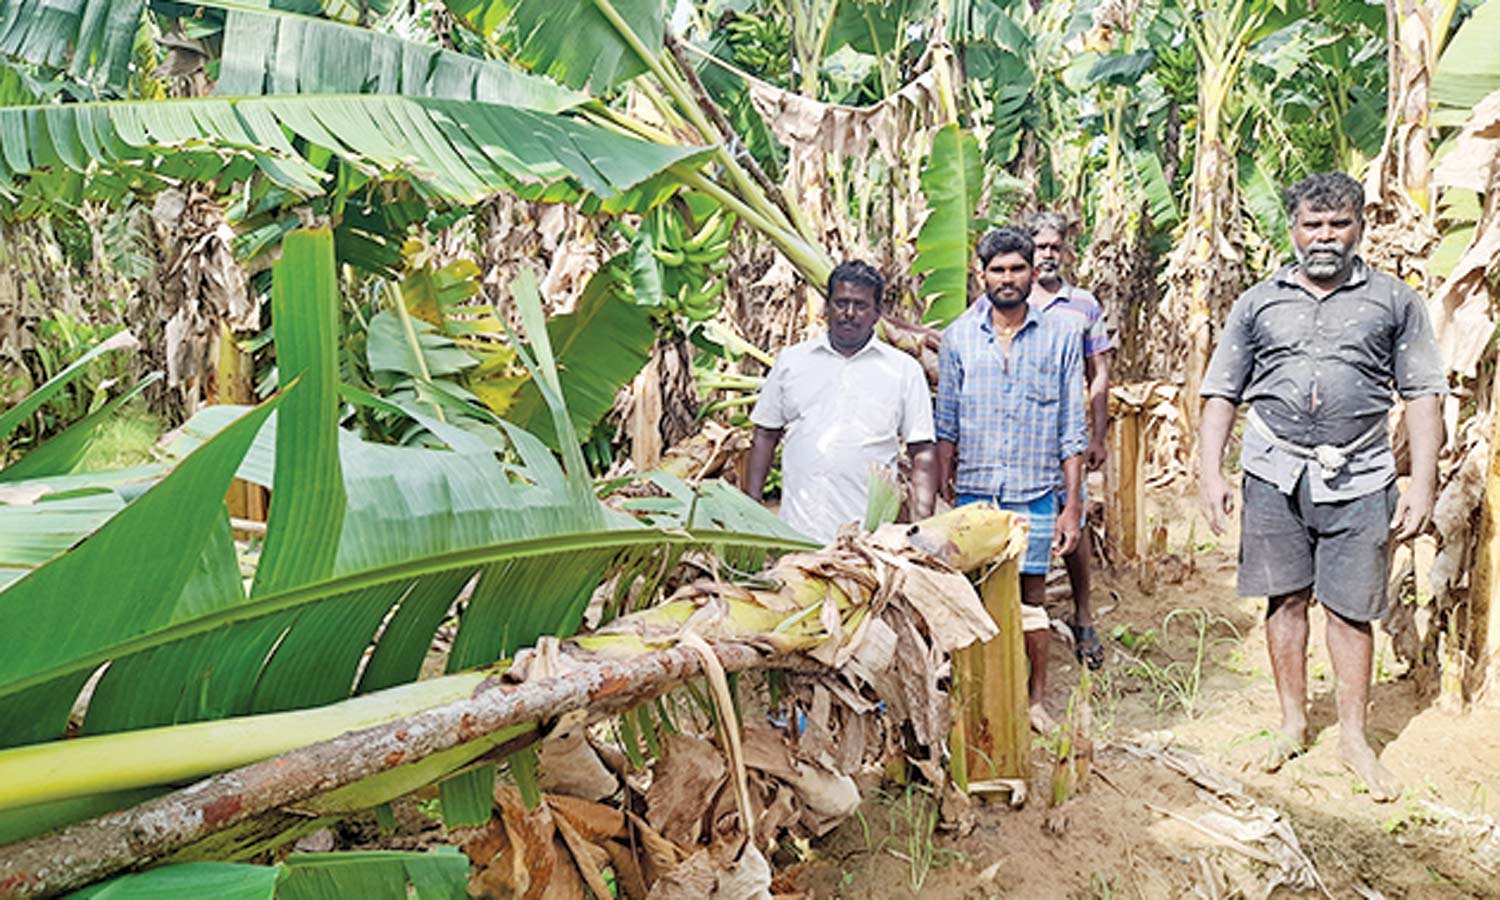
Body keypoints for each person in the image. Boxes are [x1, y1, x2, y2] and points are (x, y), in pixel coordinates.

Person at [1198, 172, 1446, 802]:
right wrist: (1210, 473)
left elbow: (1422, 395)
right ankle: (1291, 721)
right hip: (1275, 470)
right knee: (1284, 600)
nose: (1326, 237)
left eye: (1339, 225)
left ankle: (1355, 738)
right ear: (1293, 230)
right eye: (1314, 224)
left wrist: (1421, 481)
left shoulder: (1395, 301)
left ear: (1360, 227)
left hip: (1361, 475)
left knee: (1350, 607)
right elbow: (1221, 391)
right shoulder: (1257, 303)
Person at [936, 227, 1087, 732]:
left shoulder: (1062, 336)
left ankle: (1034, 700)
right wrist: (942, 491)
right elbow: (946, 425)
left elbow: (1072, 427)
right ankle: (975, 698)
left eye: (1016, 269)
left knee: (1032, 600)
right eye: (997, 270)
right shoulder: (959, 337)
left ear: (1032, 271)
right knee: (971, 600)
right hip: (976, 494)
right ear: (981, 275)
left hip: (1036, 491)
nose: (1007, 279)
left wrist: (1072, 507)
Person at [746, 261, 938, 543]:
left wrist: (922, 530)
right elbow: (765, 434)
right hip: (796, 533)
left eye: (860, 305)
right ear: (827, 308)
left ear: (877, 313)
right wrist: (751, 510)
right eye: (841, 303)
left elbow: (922, 450)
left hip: (868, 541)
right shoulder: (792, 362)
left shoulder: (902, 370)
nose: (849, 313)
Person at [1026, 210, 1113, 670]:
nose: (1047, 255)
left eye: (1055, 247)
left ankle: (1083, 614)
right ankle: (1024, 618)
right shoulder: (1005, 298)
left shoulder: (1083, 304)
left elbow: (1098, 373)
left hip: (1067, 436)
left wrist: (1098, 434)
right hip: (1018, 435)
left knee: (1073, 521)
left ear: (1066, 251)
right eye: (1040, 247)